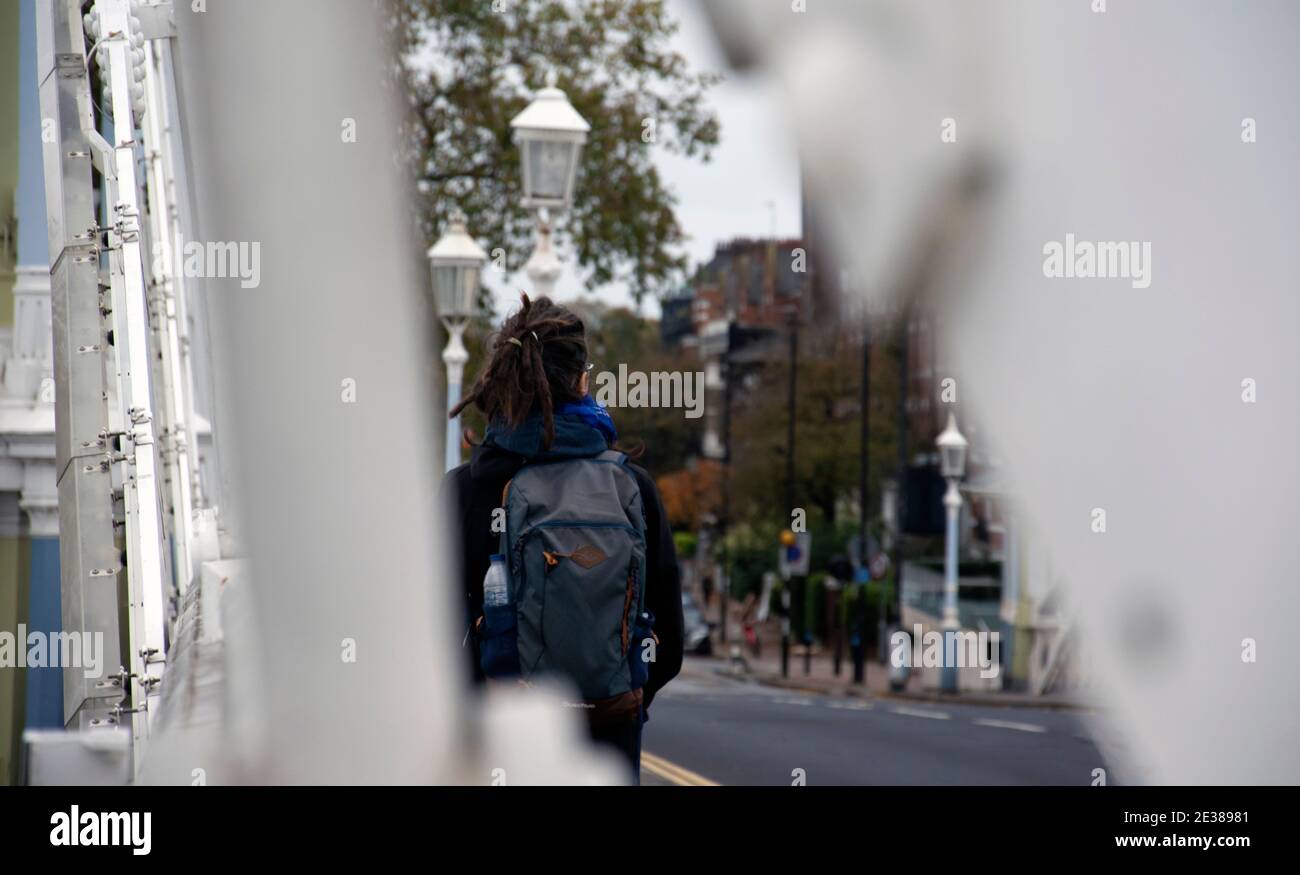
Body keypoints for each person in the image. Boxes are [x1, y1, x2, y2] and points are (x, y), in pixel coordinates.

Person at [442, 293, 683, 782]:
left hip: (492, 740)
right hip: (607, 738)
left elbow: (428, 625)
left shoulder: (465, 490)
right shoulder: (632, 488)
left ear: (502, 379)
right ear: (581, 381)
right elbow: (669, 643)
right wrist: (618, 701)